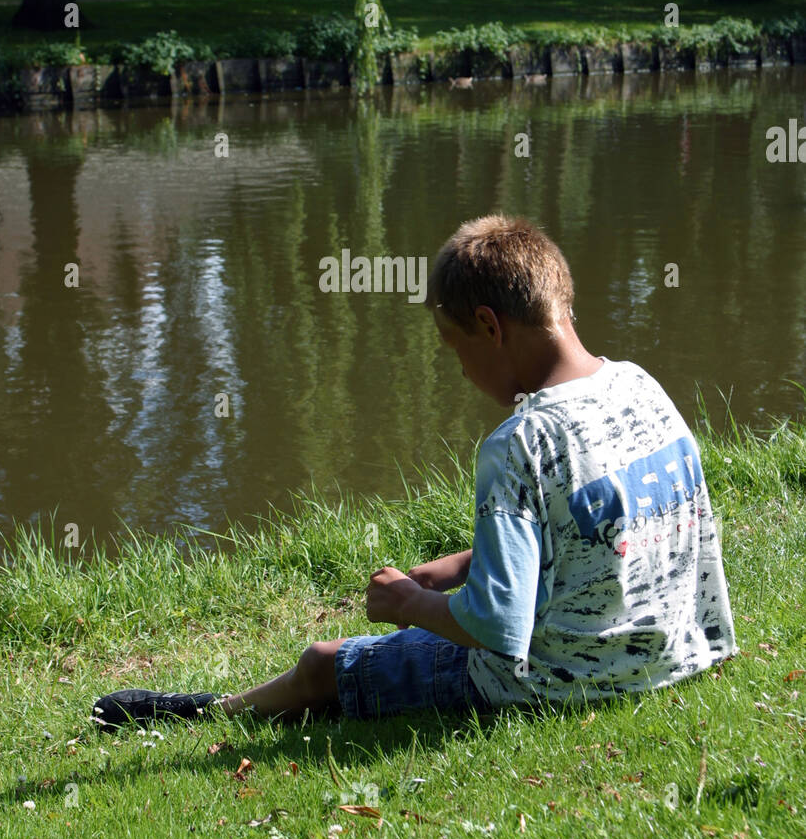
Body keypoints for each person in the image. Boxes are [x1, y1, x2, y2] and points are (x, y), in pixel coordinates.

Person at [92, 214, 737, 731]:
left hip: (564, 680)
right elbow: (598, 528)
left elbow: (497, 627)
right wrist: (467, 563)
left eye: (455, 349)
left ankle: (210, 713)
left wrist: (412, 602)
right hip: (676, 655)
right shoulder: (641, 388)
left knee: (324, 664)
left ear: (489, 326)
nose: (459, 371)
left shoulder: (521, 441)